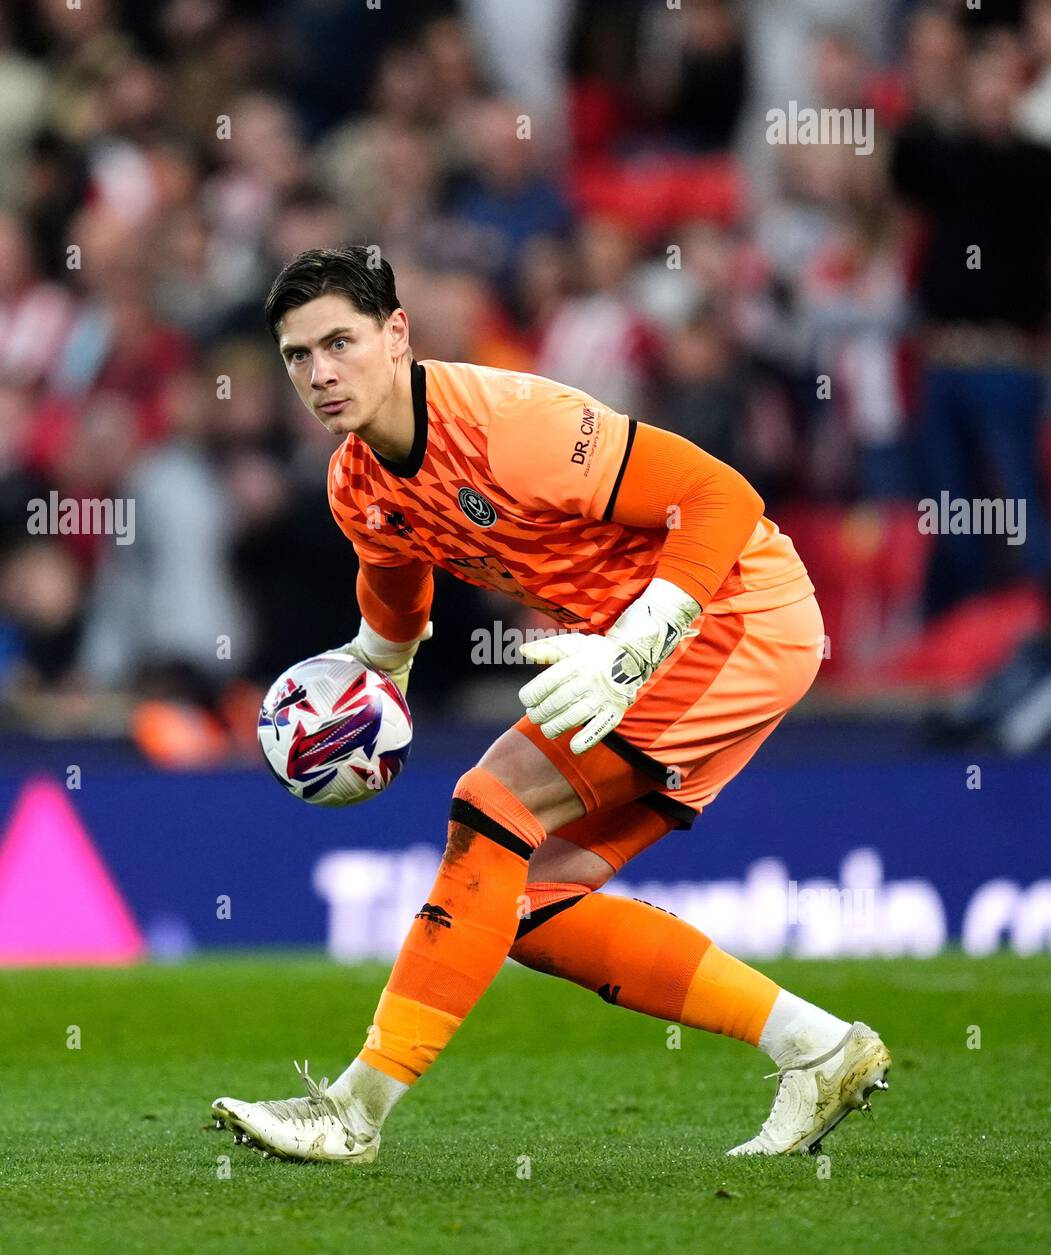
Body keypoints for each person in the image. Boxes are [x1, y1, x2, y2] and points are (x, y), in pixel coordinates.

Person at [212, 246, 890, 1163]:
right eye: (299, 356)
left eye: (341, 342)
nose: (322, 373)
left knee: (492, 803)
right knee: (527, 897)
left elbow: (718, 494)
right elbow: (395, 608)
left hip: (732, 612)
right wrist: (367, 677)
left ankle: (353, 1112)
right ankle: (816, 1047)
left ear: (397, 334)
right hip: (656, 647)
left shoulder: (511, 427)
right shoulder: (358, 485)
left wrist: (634, 644)